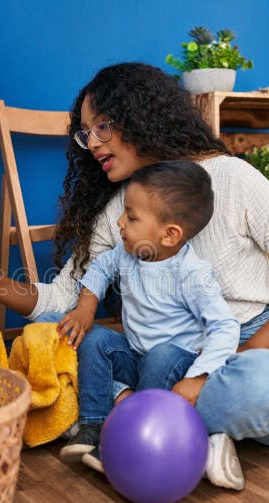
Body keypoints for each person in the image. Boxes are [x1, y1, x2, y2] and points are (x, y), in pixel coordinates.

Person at [0, 62, 269, 490]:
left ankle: (134, 418)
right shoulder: (117, 211)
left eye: (101, 127)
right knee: (53, 337)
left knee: (268, 384)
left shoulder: (231, 178)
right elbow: (67, 300)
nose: (92, 144)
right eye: (85, 134)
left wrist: (243, 355)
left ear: (139, 115)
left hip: (244, 352)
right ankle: (194, 435)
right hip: (162, 364)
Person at [55, 160, 241, 470]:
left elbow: (224, 325)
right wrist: (86, 308)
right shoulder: (127, 253)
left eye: (131, 217)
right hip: (136, 358)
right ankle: (93, 425)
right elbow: (100, 267)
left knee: (162, 354)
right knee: (96, 338)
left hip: (175, 364)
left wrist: (198, 377)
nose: (119, 223)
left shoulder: (192, 274)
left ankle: (129, 437)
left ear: (169, 235)